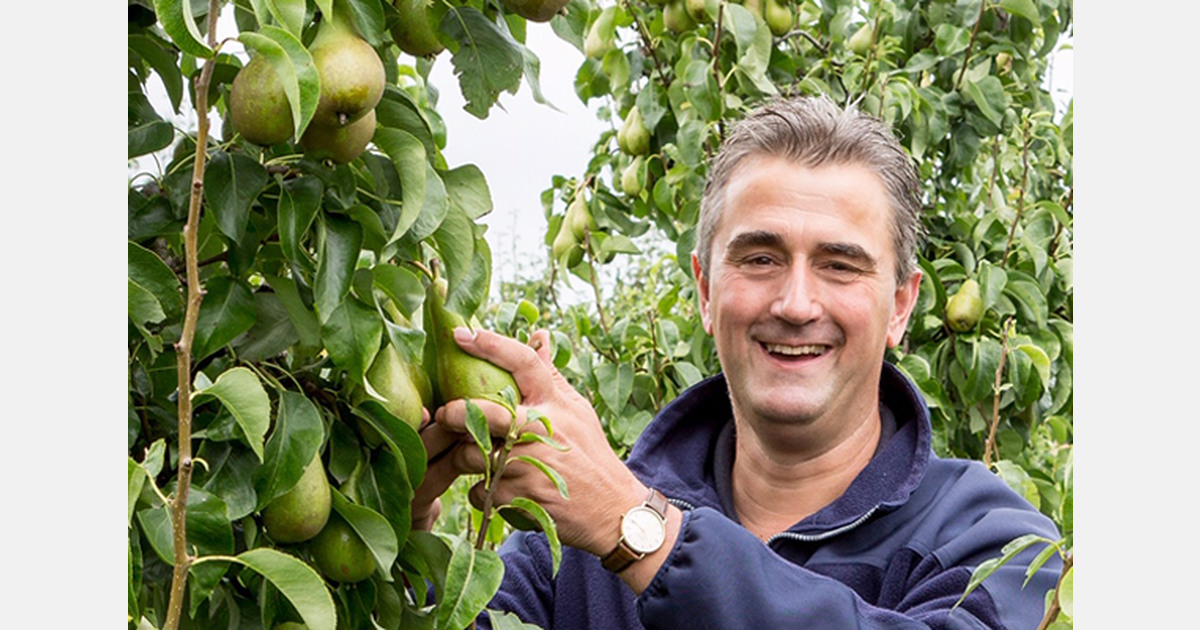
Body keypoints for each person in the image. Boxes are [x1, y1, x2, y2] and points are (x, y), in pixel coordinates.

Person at [412, 95, 1062, 629]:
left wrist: (641, 536)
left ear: (899, 307)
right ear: (704, 290)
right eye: (759, 258)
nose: (796, 302)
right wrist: (403, 543)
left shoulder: (996, 541)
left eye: (840, 265)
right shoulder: (565, 544)